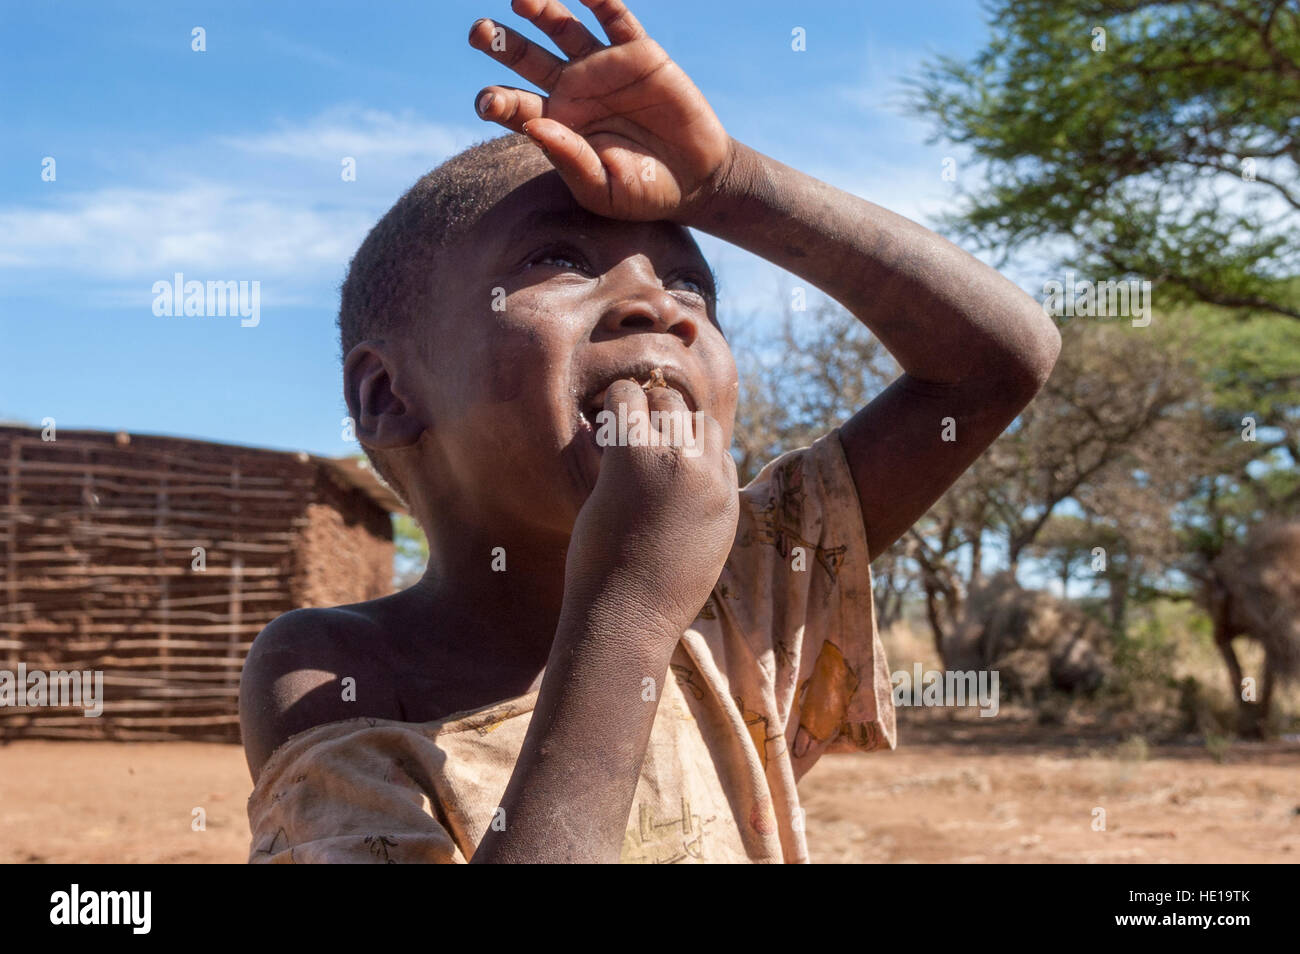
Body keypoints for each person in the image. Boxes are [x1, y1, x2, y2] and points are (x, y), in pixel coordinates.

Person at [239, 0, 1060, 864]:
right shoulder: (340, 668)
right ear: (386, 394)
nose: (658, 306)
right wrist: (630, 607)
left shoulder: (741, 586)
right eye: (557, 260)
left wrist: (727, 184)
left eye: (691, 284)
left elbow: (999, 360)